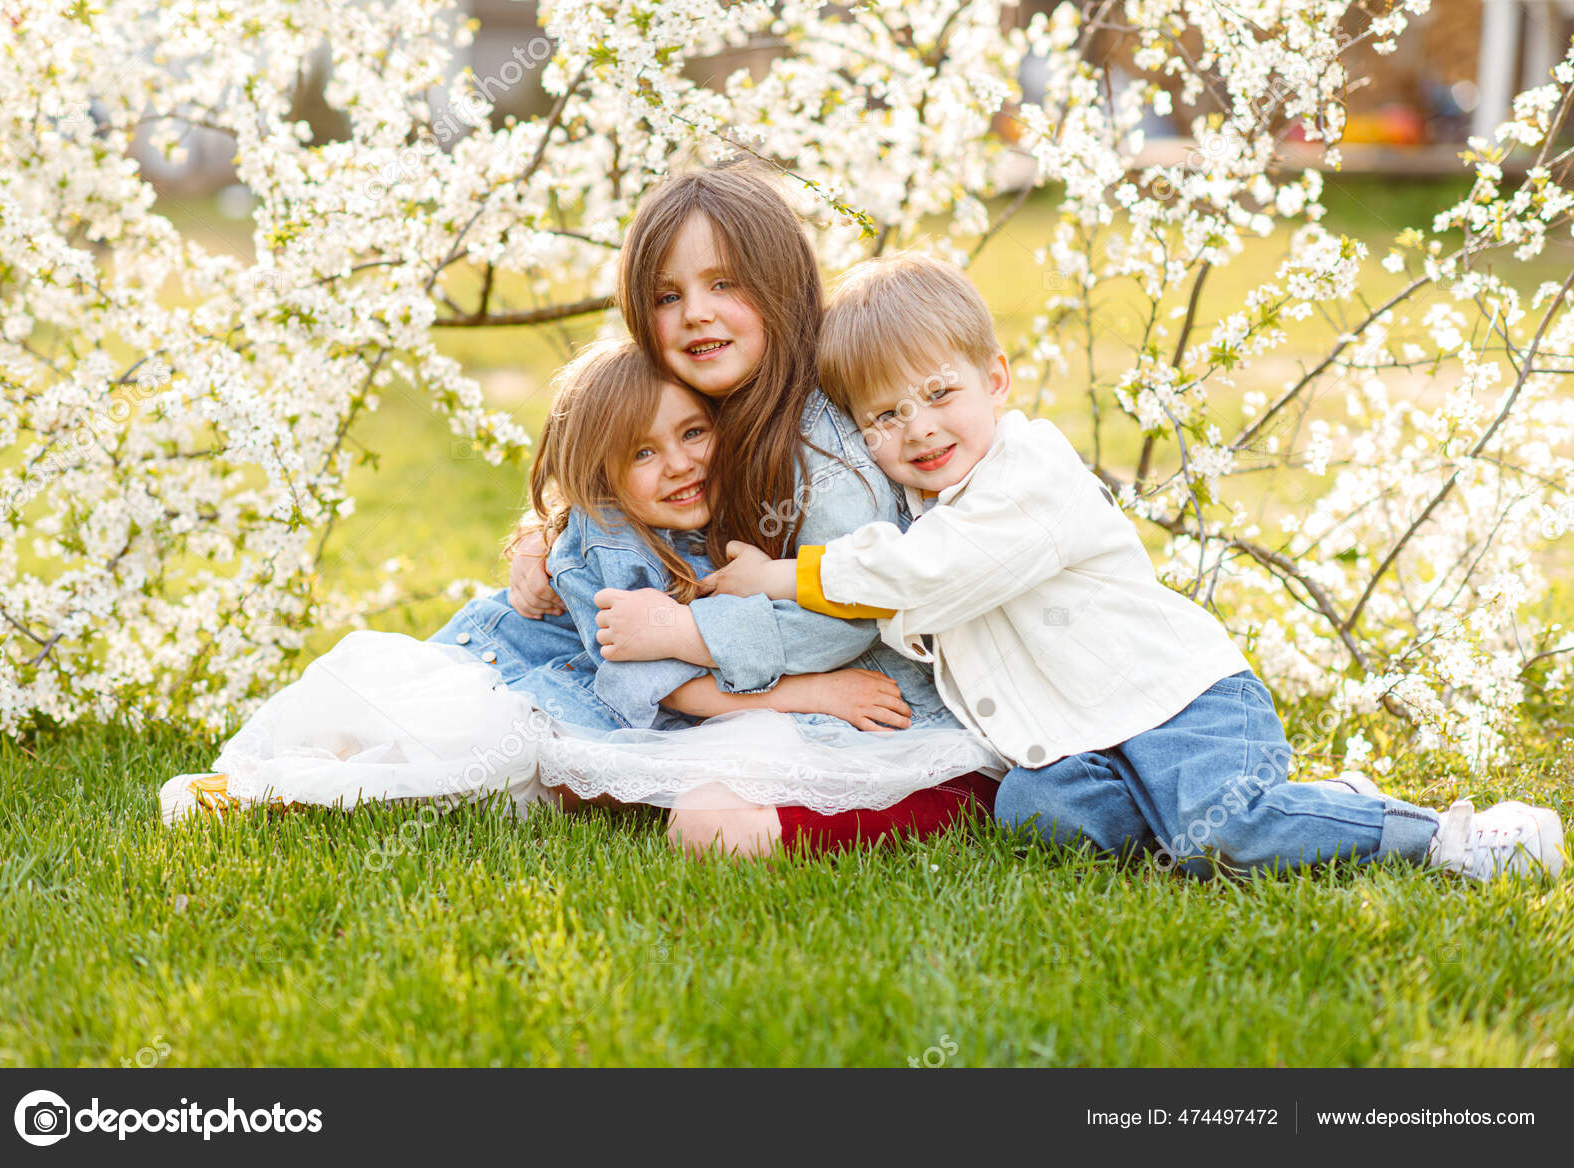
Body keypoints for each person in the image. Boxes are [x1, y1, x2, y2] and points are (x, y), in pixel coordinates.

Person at [691, 251, 1565, 882]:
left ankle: (1446, 837)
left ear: (996, 378)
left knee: (1232, 832)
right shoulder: (922, 507)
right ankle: (1261, 817)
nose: (916, 428)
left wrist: (783, 576)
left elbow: (926, 577)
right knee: (1038, 811)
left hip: (1177, 702)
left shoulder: (1026, 475)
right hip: (1079, 741)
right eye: (882, 416)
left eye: (939, 394)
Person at [158, 338, 997, 831]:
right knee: (456, 756)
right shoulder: (611, 547)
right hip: (523, 673)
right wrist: (809, 692)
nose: (679, 464)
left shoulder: (717, 510)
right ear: (600, 470)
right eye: (641, 452)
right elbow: (655, 685)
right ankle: (275, 793)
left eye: (694, 432)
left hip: (575, 674)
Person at [500, 165, 1005, 855]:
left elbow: (845, 613)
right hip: (758, 671)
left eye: (723, 284)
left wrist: (686, 633)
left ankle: (927, 804)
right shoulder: (707, 387)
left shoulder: (825, 451)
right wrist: (545, 538)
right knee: (555, 752)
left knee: (712, 817)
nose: (695, 313)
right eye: (667, 295)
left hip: (868, 686)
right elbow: (616, 473)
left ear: (783, 287)